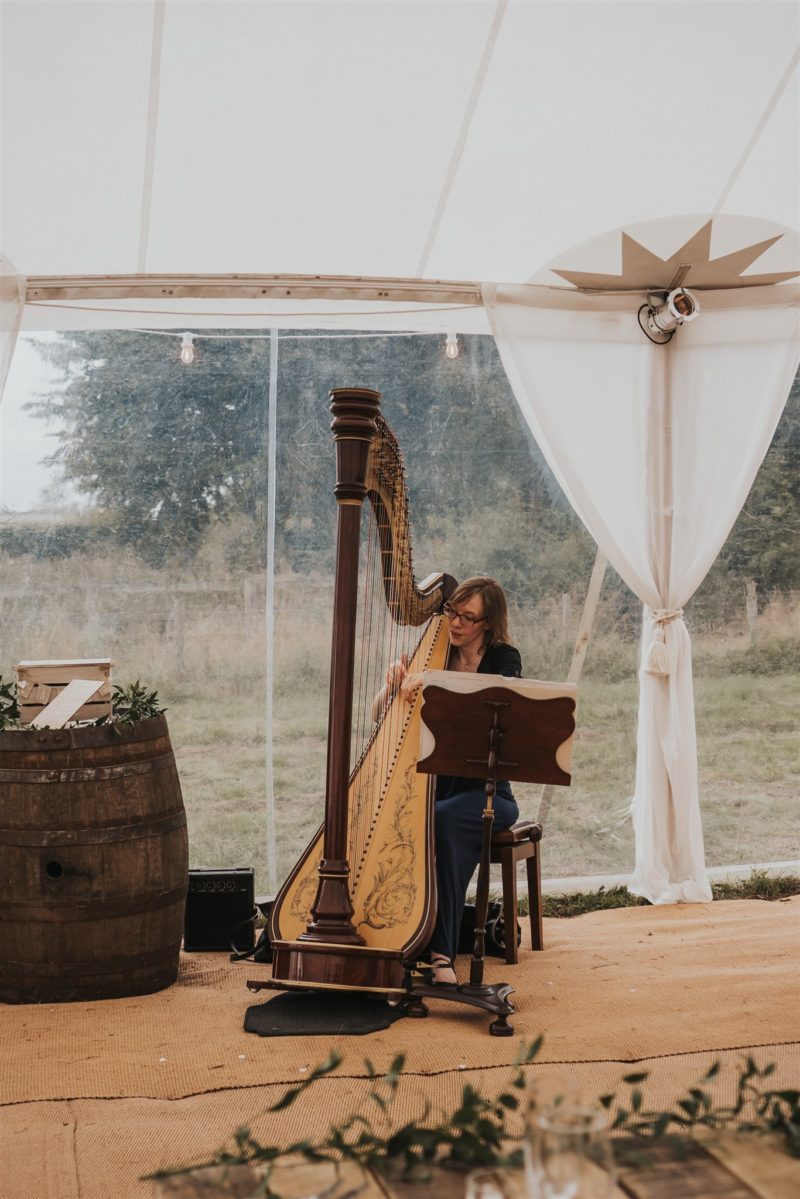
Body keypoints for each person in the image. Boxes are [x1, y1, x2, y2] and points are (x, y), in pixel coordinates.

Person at [383, 576, 521, 985]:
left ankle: (441, 954)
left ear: (488, 624)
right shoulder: (434, 654)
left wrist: (436, 683)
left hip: (489, 793)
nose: (455, 623)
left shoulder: (503, 657)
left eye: (467, 617)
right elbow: (379, 714)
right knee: (417, 818)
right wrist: (391, 685)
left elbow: (503, 698)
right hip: (437, 790)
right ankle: (405, 933)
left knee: (441, 822)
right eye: (451, 612)